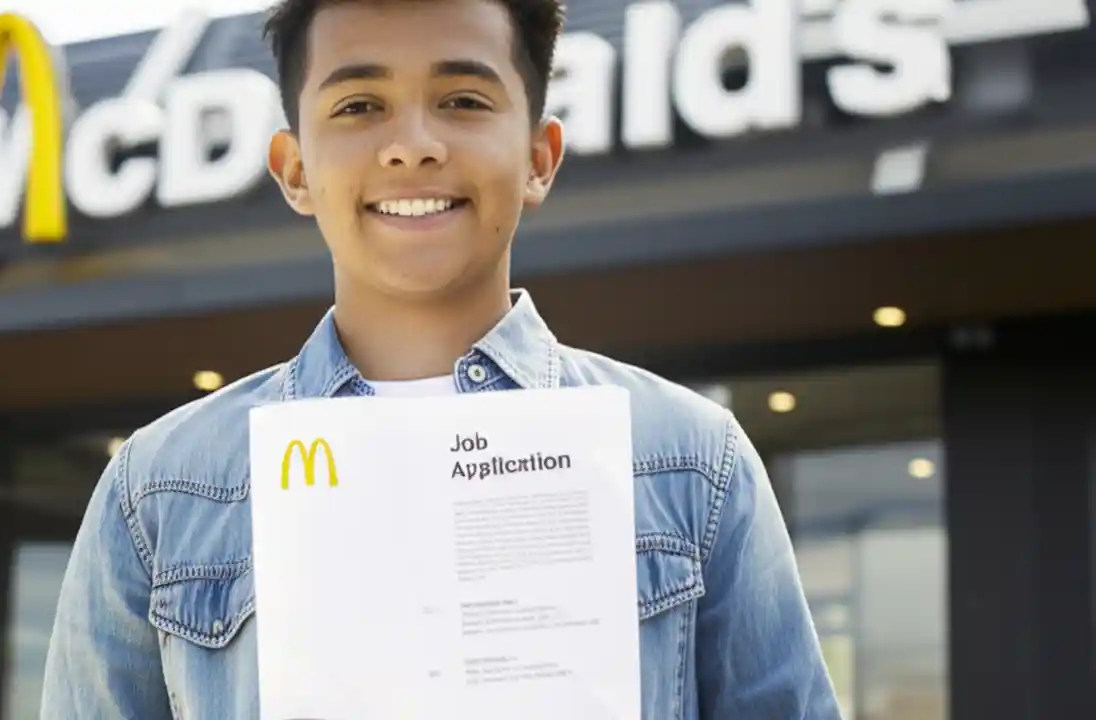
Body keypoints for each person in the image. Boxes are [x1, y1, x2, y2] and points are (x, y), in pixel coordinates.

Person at [41, 0, 842, 717]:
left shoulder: (691, 464)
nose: (412, 146)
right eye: (359, 105)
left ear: (539, 157)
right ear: (294, 170)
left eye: (462, 100)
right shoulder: (158, 491)